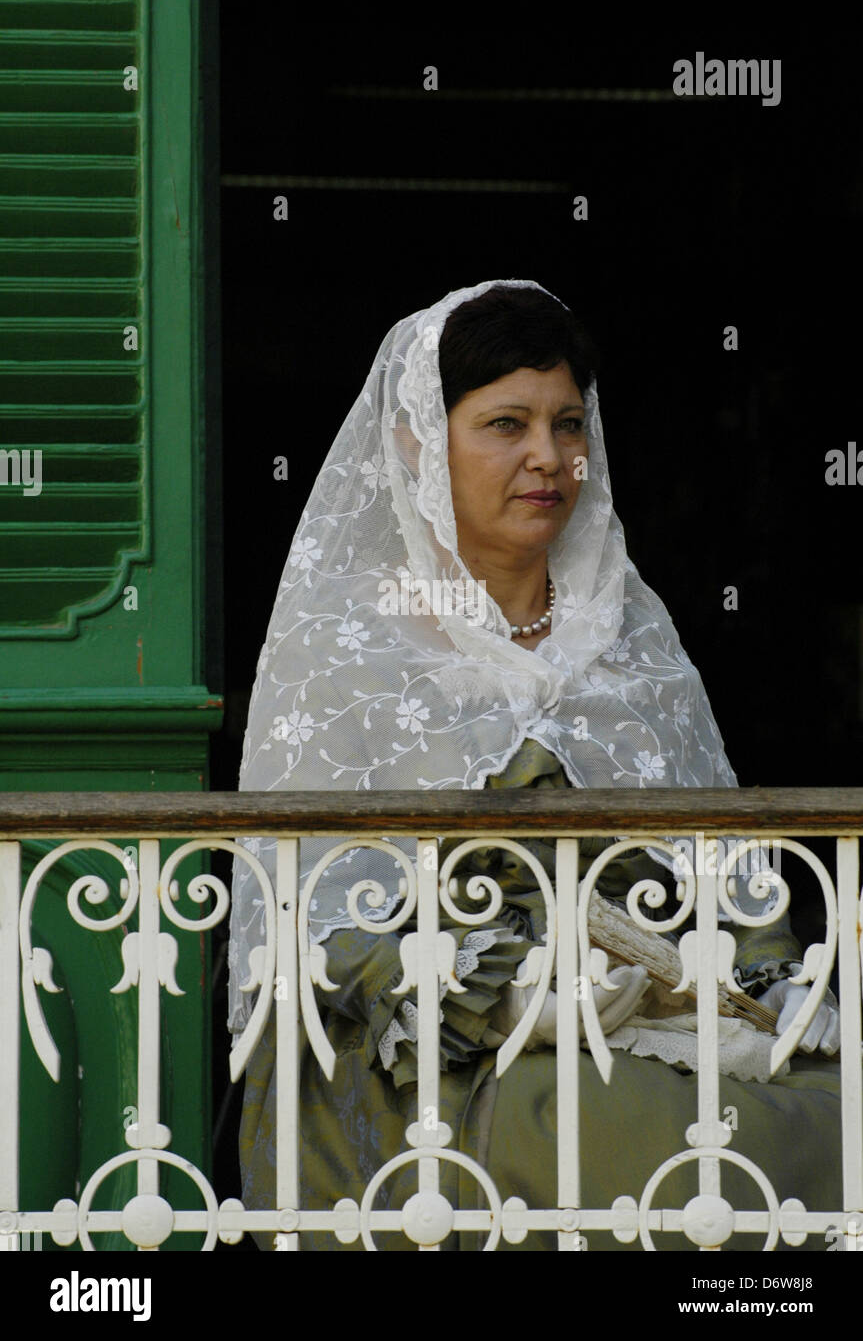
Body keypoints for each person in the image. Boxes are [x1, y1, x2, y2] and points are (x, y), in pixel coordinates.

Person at [228, 279, 843, 1252]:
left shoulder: (629, 635)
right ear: (416, 439)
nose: (545, 458)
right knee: (631, 1135)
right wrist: (506, 994)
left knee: (829, 1107)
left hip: (647, 1019)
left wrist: (773, 993)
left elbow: (731, 879)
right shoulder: (351, 647)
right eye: (504, 424)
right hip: (430, 1060)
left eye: (565, 424)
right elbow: (307, 916)